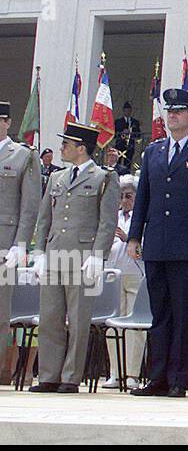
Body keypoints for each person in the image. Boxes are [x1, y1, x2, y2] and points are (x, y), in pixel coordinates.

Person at [125, 89, 188, 397]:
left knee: (182, 314)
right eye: (170, 111)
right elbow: (144, 197)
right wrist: (135, 235)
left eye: (179, 111)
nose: (172, 116)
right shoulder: (155, 150)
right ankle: (157, 377)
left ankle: (180, 378)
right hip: (157, 241)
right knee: (160, 314)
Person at [30, 122, 119, 392]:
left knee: (79, 320)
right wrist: (39, 252)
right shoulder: (57, 178)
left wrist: (98, 256)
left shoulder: (102, 177)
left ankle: (70, 376)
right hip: (56, 253)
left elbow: (107, 221)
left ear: (82, 148)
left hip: (81, 256)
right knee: (50, 317)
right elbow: (45, 217)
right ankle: (48, 374)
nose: (62, 148)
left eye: (67, 144)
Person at [0, 101, 40, 344]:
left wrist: (20, 243)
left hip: (5, 241)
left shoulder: (23, 155)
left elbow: (30, 204)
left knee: (1, 311)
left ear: (7, 122)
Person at [103, 174, 144, 388]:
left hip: (136, 274)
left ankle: (132, 374)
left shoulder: (143, 217)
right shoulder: (113, 216)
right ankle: (115, 372)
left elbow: (145, 246)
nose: (124, 201)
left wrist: (129, 238)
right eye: (121, 196)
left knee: (135, 326)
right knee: (112, 325)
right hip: (114, 273)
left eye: (129, 196)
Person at [113, 101, 142, 168]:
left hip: (130, 145)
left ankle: (127, 174)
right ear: (123, 111)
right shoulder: (118, 121)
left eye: (129, 111)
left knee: (128, 162)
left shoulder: (135, 122)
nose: (127, 112)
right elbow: (115, 133)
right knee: (118, 162)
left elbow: (138, 134)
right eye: (126, 111)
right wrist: (122, 132)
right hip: (120, 144)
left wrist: (131, 133)